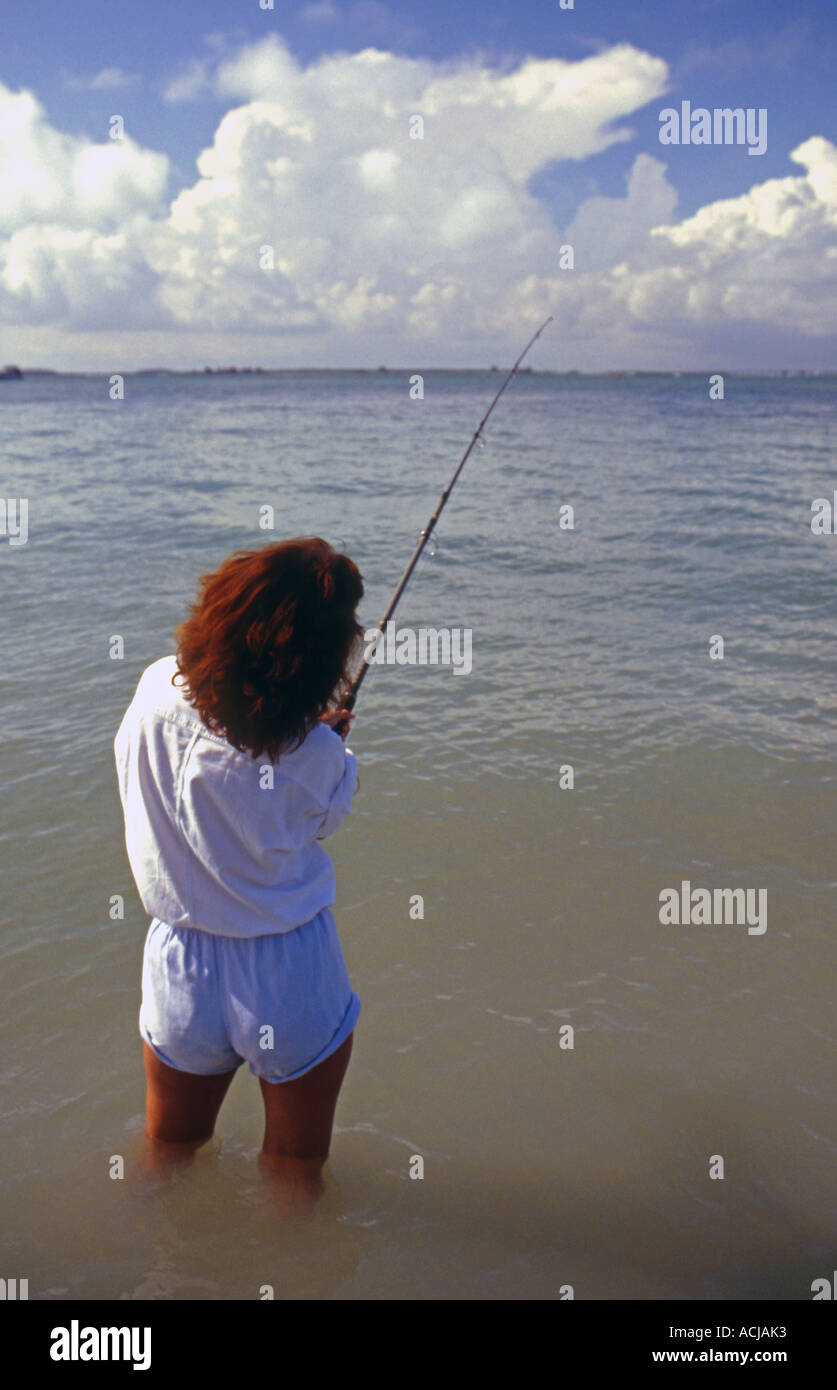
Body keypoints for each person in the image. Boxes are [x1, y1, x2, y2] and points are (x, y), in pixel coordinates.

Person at [114, 537, 363, 1195]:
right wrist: (327, 746)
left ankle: (156, 1271)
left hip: (180, 964)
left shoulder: (151, 691)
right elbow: (322, 816)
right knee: (293, 1171)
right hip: (287, 967)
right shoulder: (315, 754)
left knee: (167, 1151)